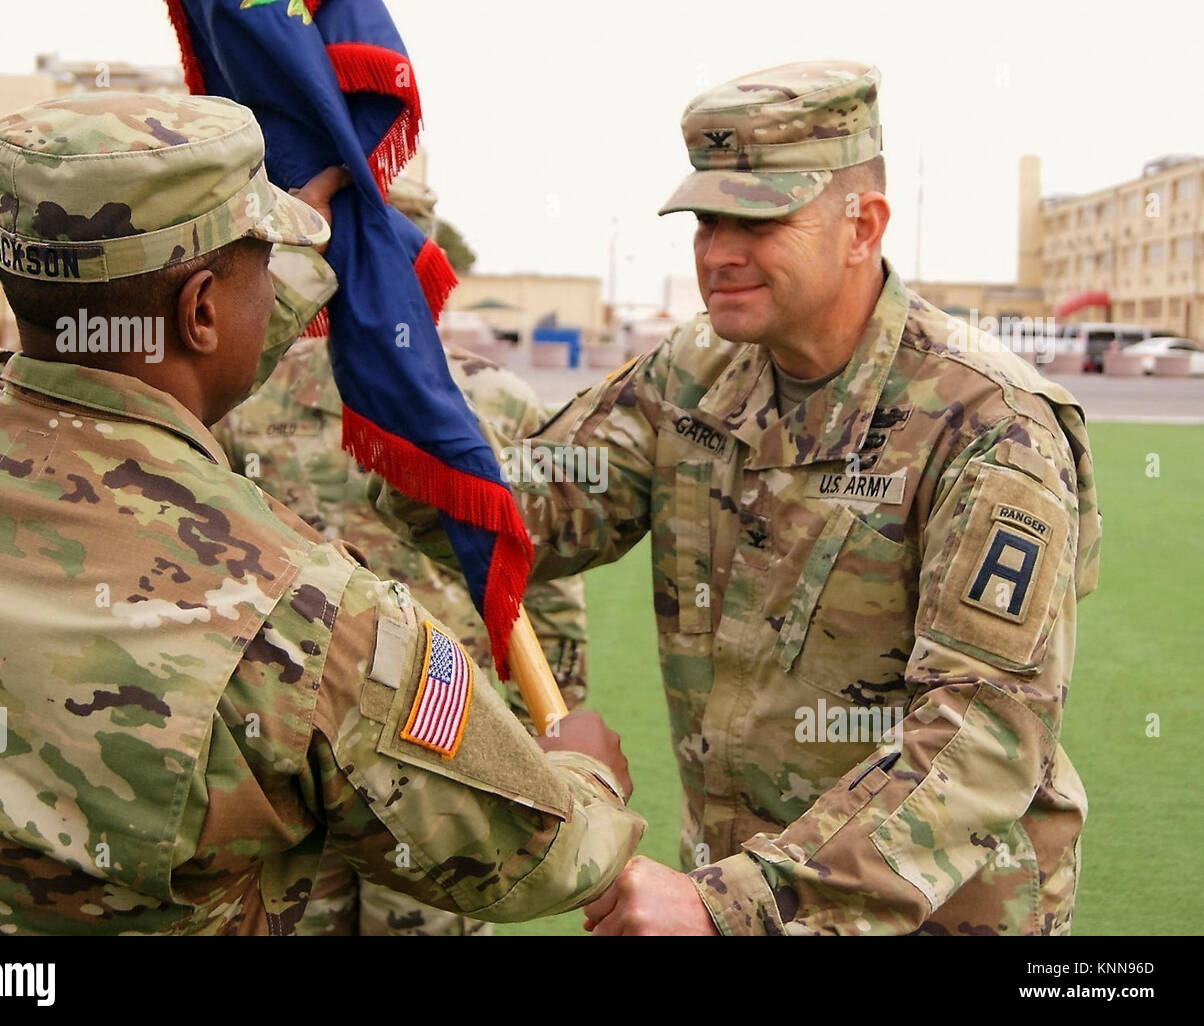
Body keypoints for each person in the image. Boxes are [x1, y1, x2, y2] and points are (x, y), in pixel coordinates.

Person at [375, 60, 1101, 936]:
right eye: (708, 219)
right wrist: (393, 390)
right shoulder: (695, 375)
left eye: (759, 220)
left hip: (930, 914)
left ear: (861, 224)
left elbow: (981, 742)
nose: (720, 251)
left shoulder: (988, 423)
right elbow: (536, 517)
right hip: (739, 892)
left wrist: (735, 906)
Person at [0, 90, 643, 936]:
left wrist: (297, 260)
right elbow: (531, 857)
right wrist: (586, 774)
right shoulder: (304, 611)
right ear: (203, 309)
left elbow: (139, 351)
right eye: (264, 263)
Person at [214, 175, 590, 936]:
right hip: (293, 753)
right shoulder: (247, 393)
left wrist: (541, 734)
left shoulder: (494, 402)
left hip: (446, 753)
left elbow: (544, 583)